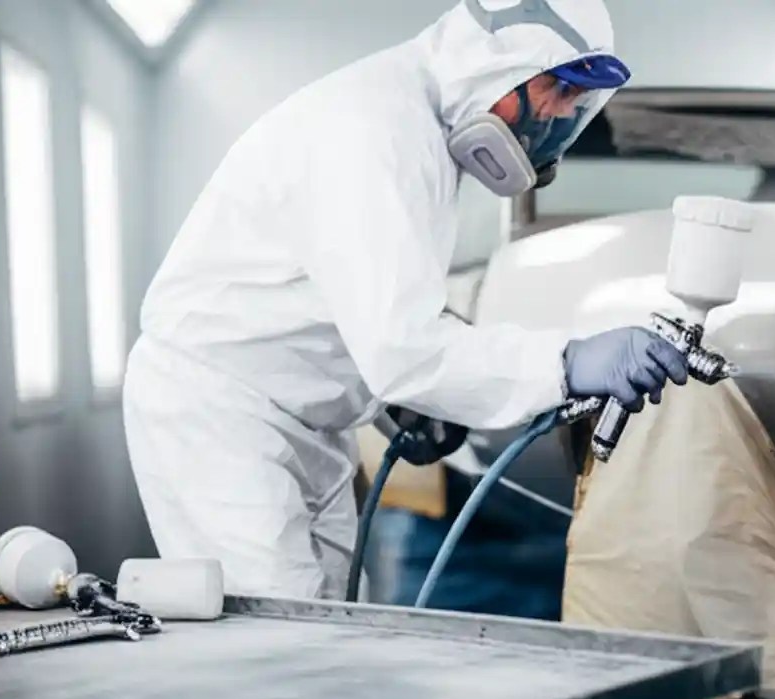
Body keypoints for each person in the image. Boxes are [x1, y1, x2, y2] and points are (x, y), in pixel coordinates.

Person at [121, 0, 689, 601]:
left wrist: (399, 401)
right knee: (273, 643)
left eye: (575, 103)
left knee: (336, 618)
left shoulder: (418, 130)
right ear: (497, 61)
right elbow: (403, 346)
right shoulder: (375, 129)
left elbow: (347, 299)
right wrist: (566, 363)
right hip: (221, 415)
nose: (557, 114)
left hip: (303, 423)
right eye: (558, 88)